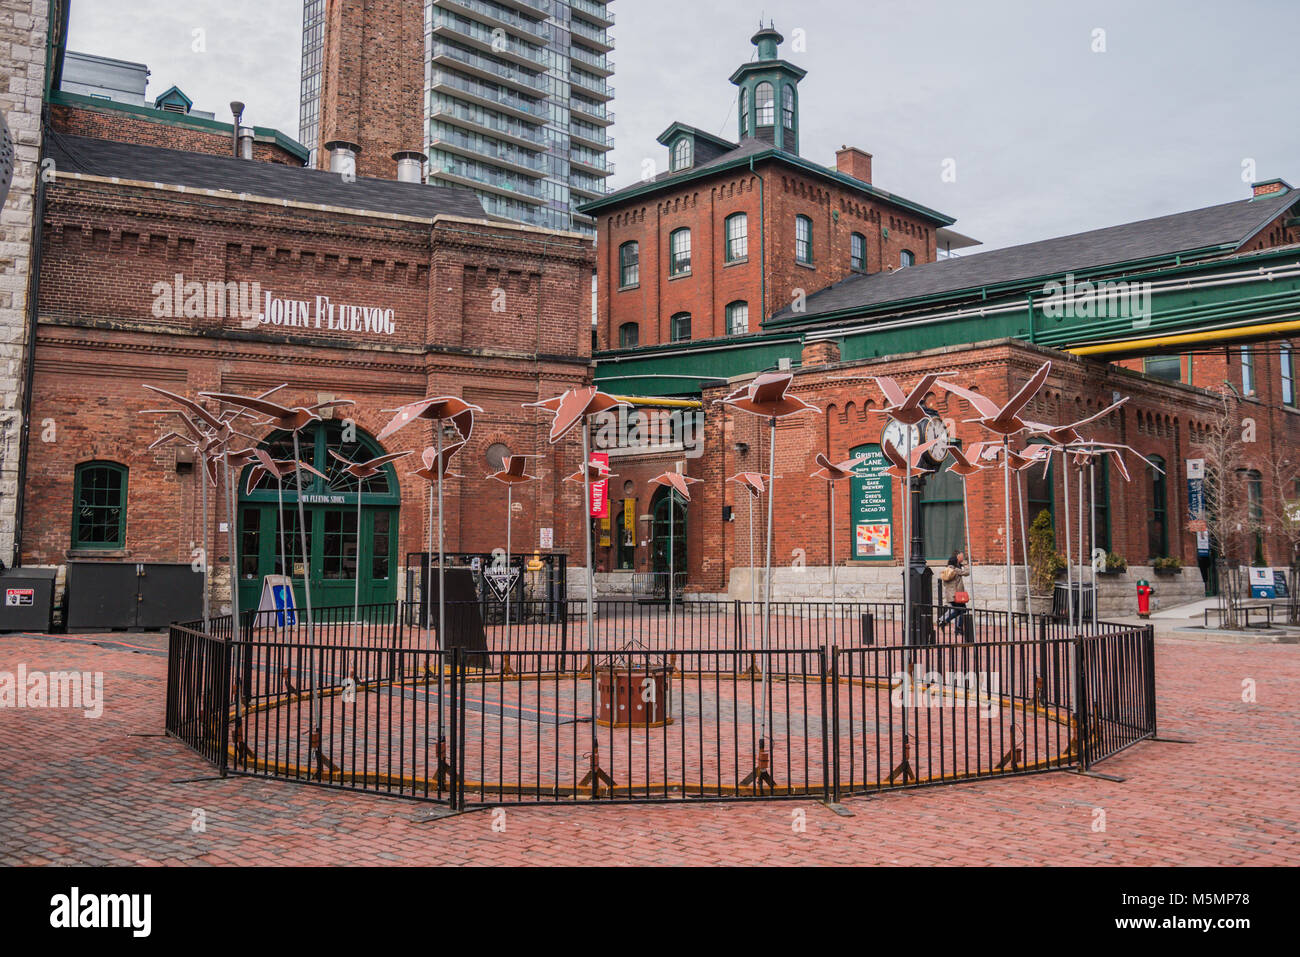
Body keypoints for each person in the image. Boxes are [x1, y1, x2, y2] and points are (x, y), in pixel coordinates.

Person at [937, 550, 970, 638]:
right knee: (962, 611)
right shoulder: (955, 570)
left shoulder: (947, 570)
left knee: (957, 610)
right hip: (957, 595)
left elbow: (944, 584)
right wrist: (966, 566)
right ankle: (948, 623)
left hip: (950, 594)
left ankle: (944, 621)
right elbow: (967, 573)